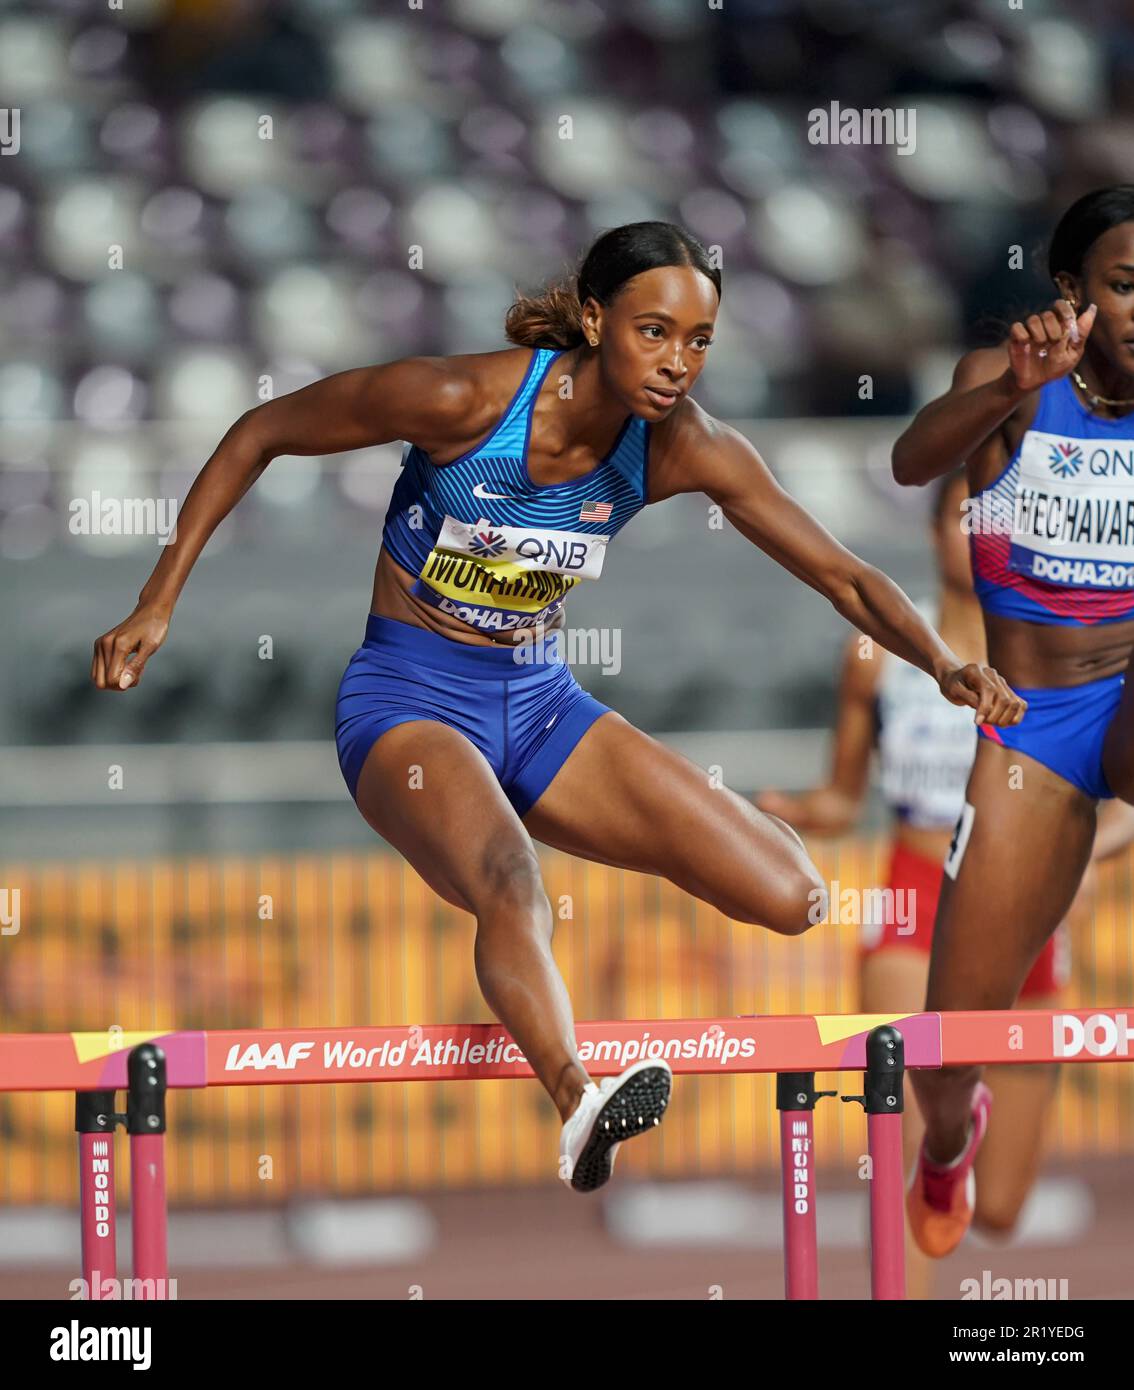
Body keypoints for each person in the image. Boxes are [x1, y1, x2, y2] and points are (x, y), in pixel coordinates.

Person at [91, 221, 1024, 1194]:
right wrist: (160, 597)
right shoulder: (461, 400)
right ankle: (578, 1099)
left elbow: (840, 572)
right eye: (654, 333)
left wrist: (944, 663)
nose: (677, 366)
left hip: (539, 703)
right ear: (592, 317)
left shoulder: (681, 447)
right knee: (512, 881)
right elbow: (263, 429)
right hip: (409, 702)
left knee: (790, 894)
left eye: (699, 343)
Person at [759, 468, 1134, 1294]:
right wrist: (771, 810)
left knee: (999, 1208)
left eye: (1000, 516)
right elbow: (841, 795)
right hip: (913, 901)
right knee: (898, 1152)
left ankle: (963, 1138)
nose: (981, 532)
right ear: (935, 532)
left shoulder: (1059, 652)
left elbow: (1121, 801)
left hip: (1029, 909)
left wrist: (1087, 858)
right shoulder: (879, 654)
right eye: (967, 515)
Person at [891, 185, 1134, 1254]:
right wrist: (1011, 390)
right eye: (1127, 287)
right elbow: (913, 461)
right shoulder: (1005, 379)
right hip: (1036, 726)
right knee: (950, 1045)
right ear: (1074, 292)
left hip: (1128, 698)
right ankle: (948, 1144)